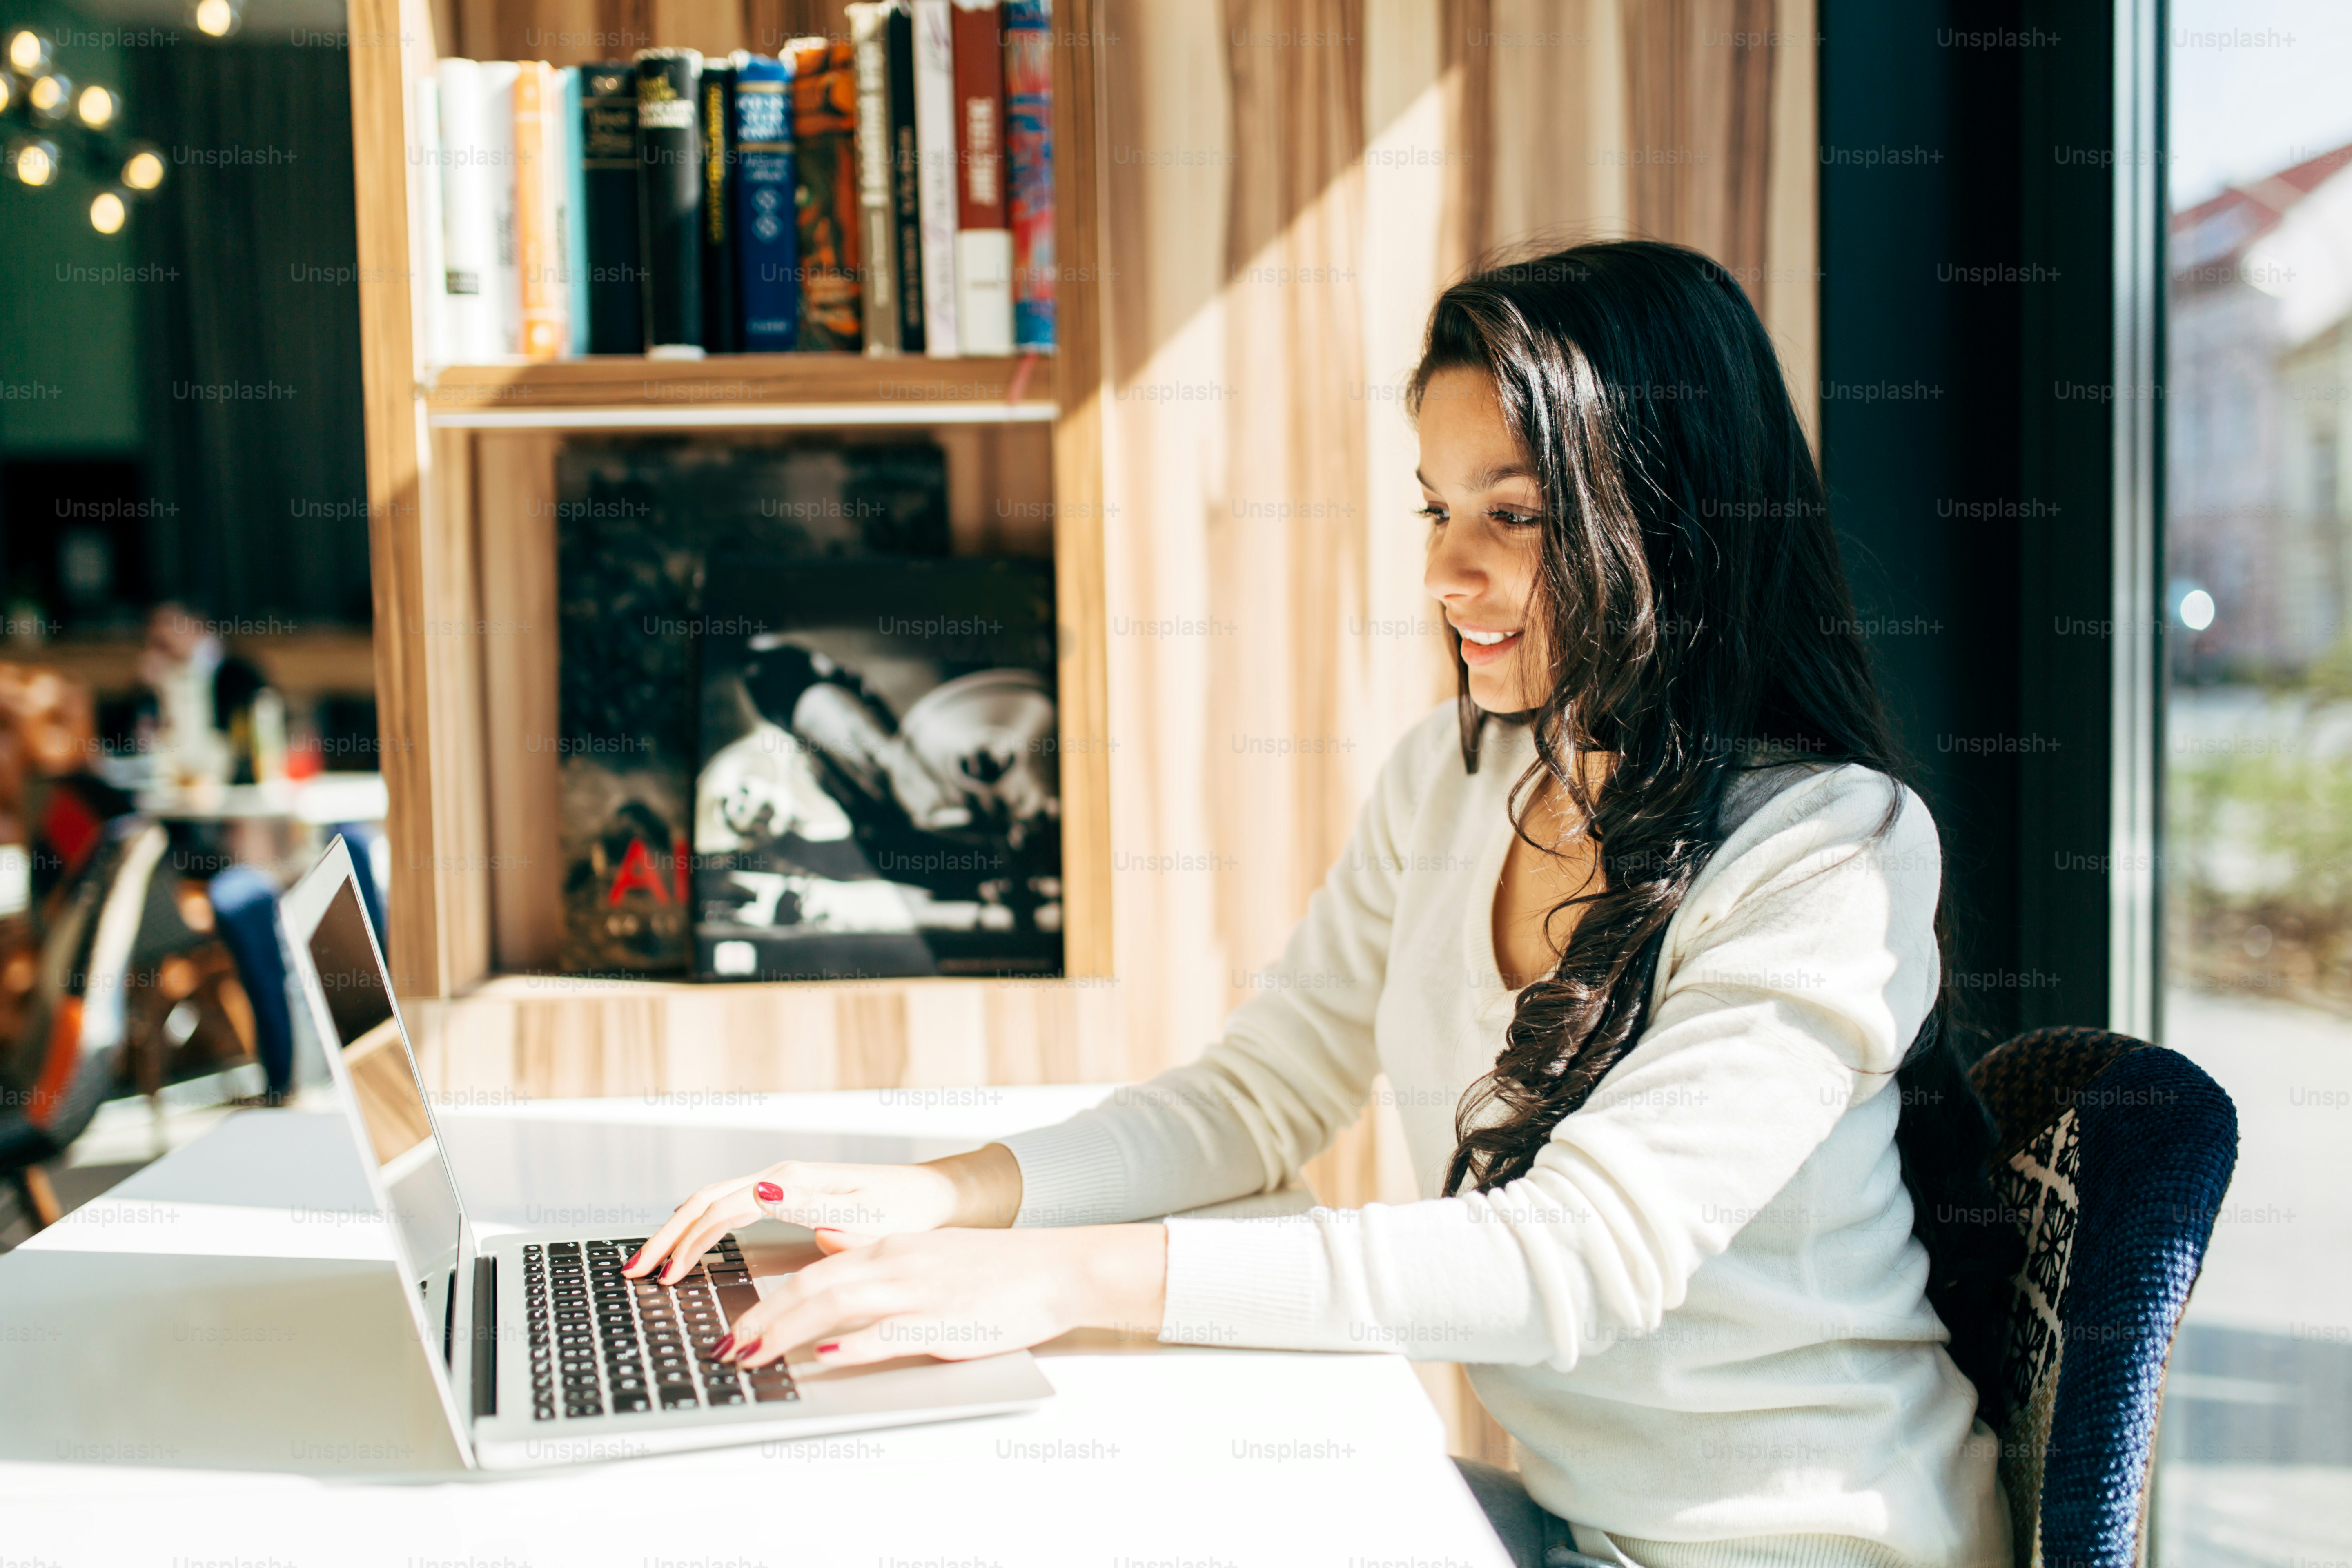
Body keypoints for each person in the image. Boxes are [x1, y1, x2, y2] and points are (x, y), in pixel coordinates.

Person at [624, 241, 2011, 1568]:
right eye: (1436, 509)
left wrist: (1059, 1278)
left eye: (1514, 514)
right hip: (1569, 1528)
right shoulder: (1455, 779)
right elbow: (1259, 1098)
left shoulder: (1832, 851)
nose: (1444, 574)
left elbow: (1575, 1259)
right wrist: (946, 1200)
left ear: (1680, 523)